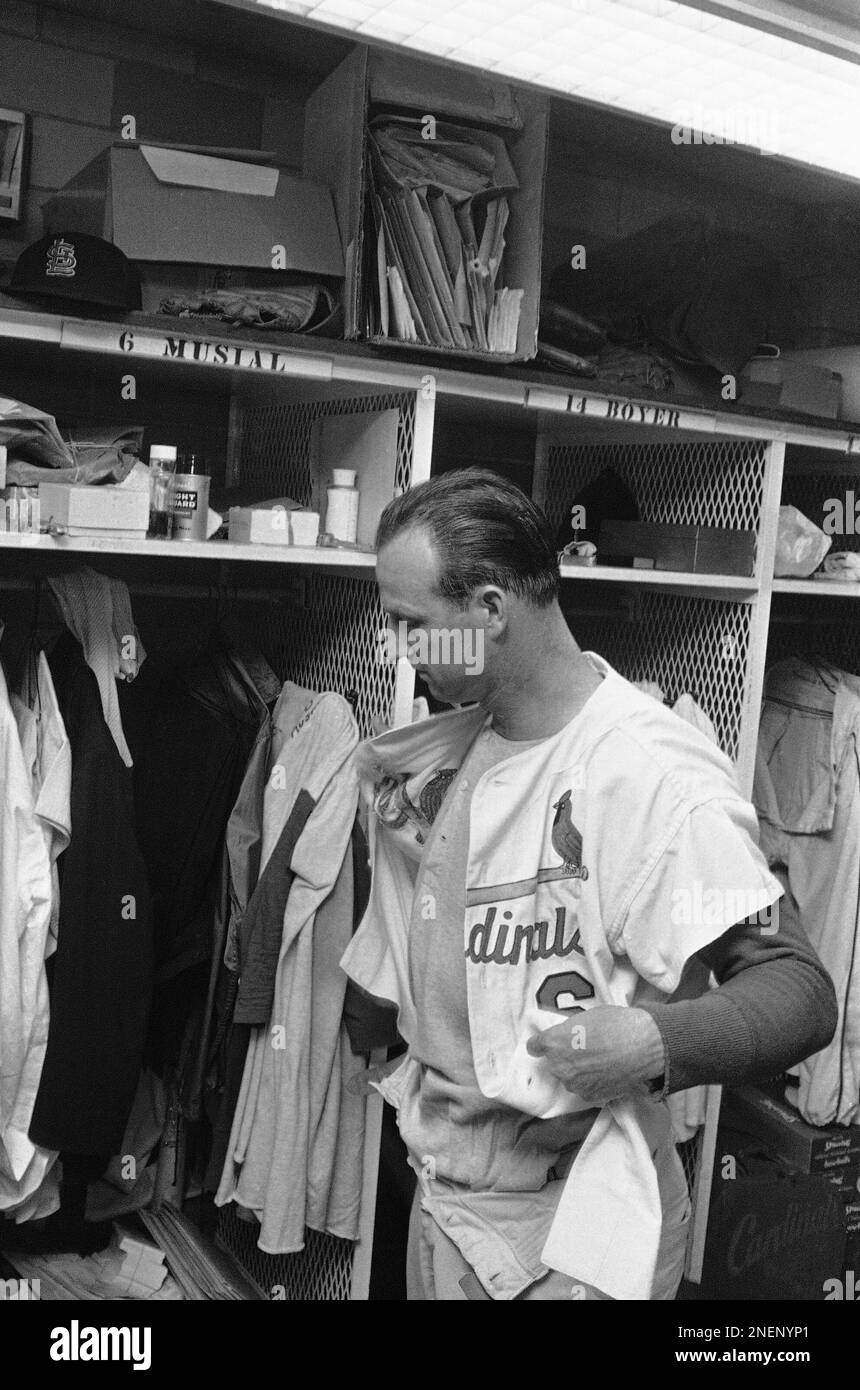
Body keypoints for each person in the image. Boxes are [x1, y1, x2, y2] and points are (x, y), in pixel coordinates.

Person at [340, 468, 837, 1301]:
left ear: (490, 610)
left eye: (413, 626)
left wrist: (656, 1046)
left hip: (571, 1228)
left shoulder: (647, 775)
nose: (401, 651)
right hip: (449, 1197)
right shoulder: (464, 741)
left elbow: (800, 990)